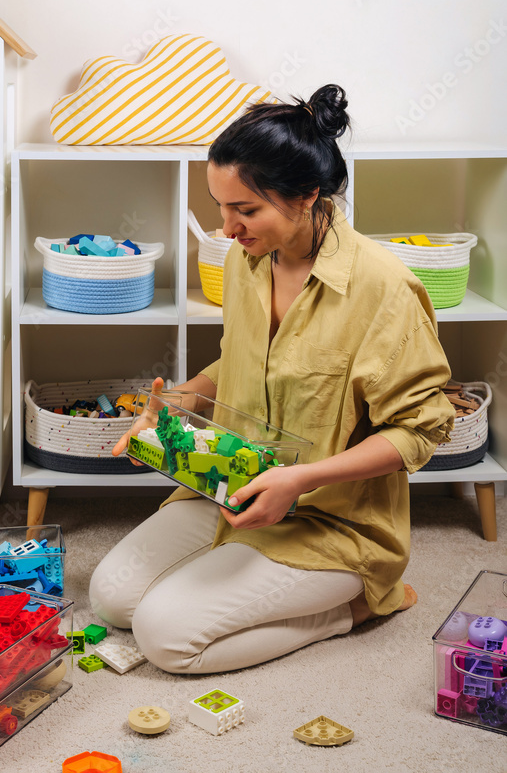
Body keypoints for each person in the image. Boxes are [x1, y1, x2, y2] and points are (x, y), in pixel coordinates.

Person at [89, 84, 455, 674]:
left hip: (329, 519)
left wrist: (299, 479)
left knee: (166, 639)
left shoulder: (384, 289)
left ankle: (356, 607)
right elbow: (240, 361)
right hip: (232, 486)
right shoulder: (246, 259)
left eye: (245, 210)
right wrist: (176, 403)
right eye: (220, 208)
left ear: (307, 195)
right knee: (111, 599)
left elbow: (419, 431)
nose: (227, 229)